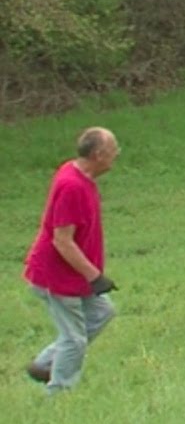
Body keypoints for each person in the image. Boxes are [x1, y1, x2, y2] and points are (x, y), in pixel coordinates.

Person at [23, 127, 121, 394]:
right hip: (56, 276)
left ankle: (44, 364)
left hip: (75, 276)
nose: (117, 154)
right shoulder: (72, 186)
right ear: (98, 155)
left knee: (102, 312)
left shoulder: (80, 176)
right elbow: (62, 241)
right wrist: (94, 276)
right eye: (113, 150)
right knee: (74, 339)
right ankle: (58, 393)